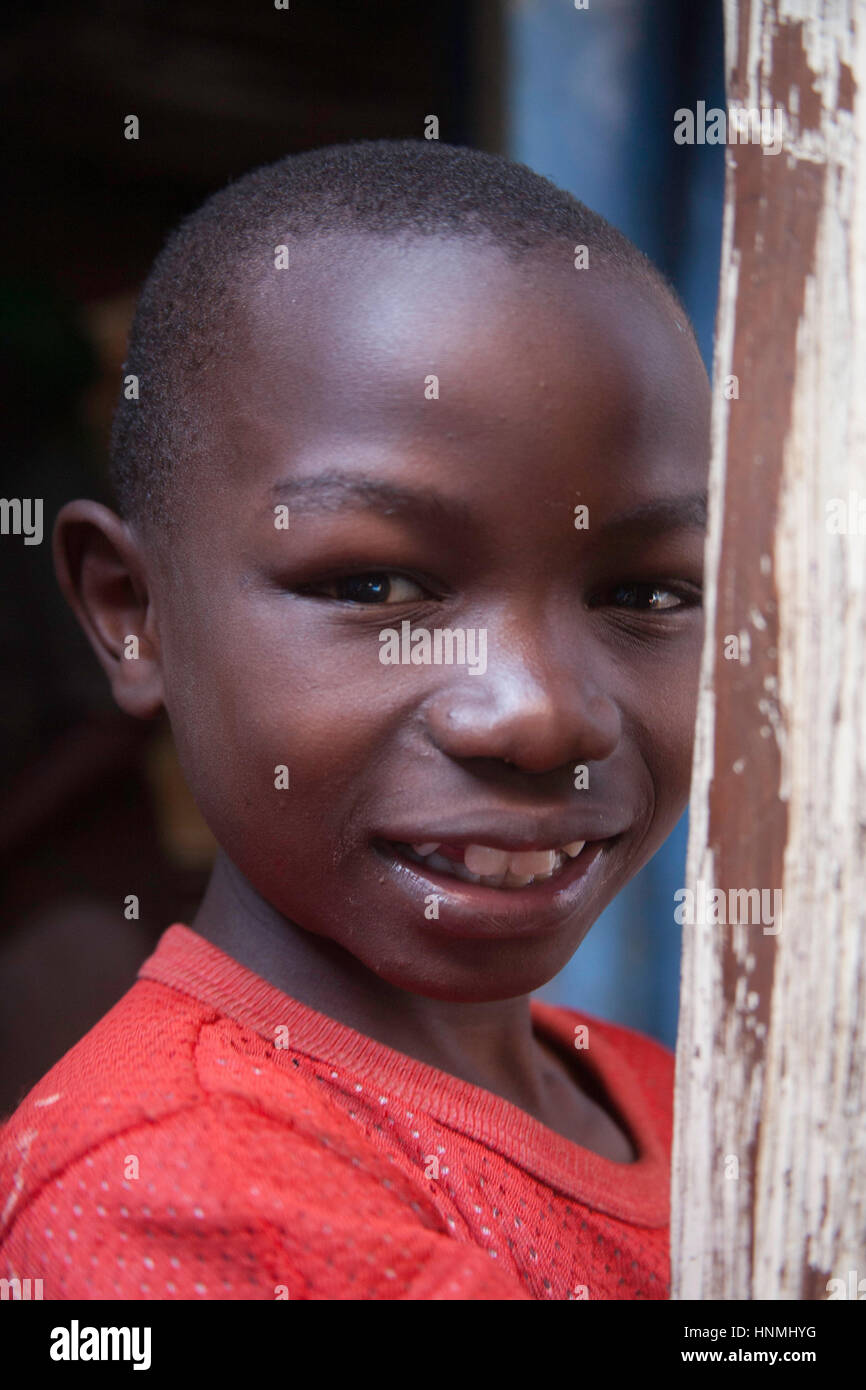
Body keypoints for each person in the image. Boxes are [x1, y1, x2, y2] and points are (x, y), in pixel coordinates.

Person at [0, 139, 710, 1300]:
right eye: (375, 587)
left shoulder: (680, 1105)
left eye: (642, 594)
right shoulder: (177, 1195)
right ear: (135, 614)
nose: (537, 715)